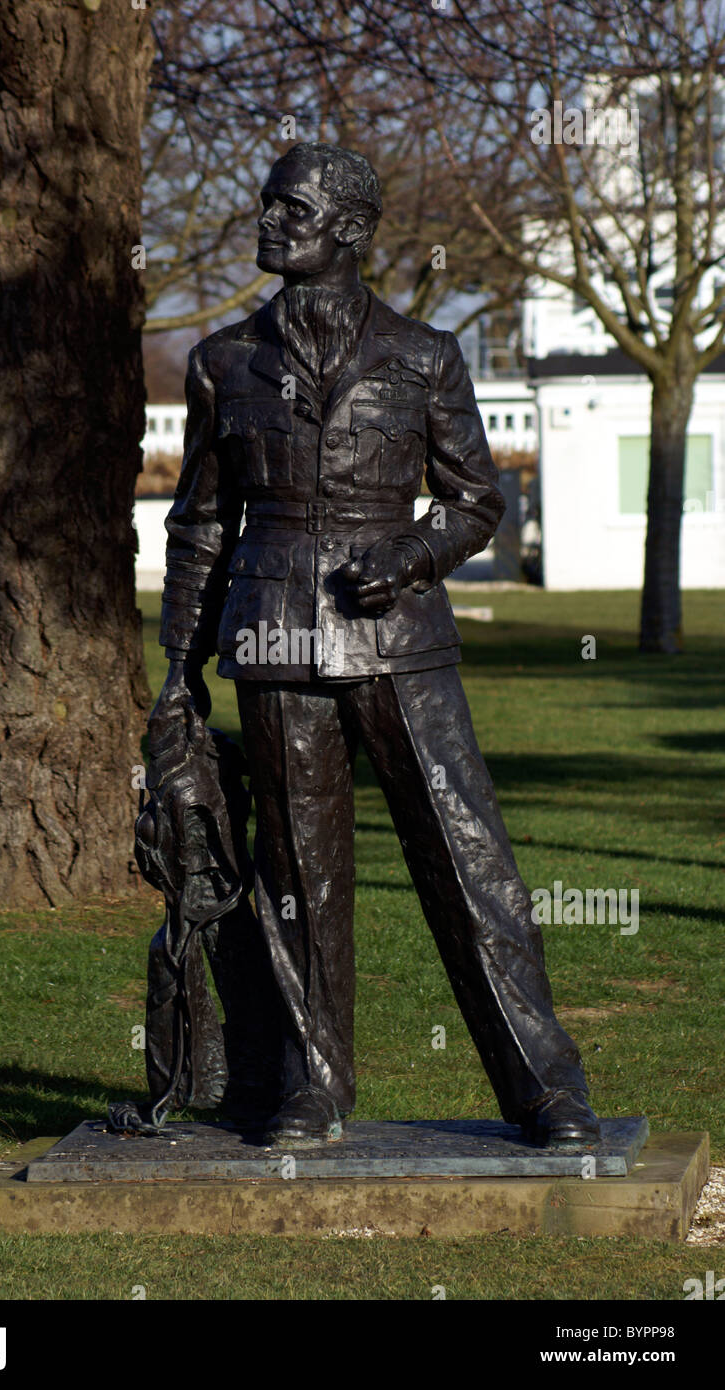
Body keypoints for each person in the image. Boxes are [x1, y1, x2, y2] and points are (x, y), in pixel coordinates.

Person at [148, 142, 599, 1150]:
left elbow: (478, 500)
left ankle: (544, 1087)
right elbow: (201, 525)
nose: (267, 220)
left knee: (468, 857)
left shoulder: (423, 356)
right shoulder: (223, 361)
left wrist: (411, 555)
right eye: (267, 202)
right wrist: (177, 670)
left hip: (400, 642)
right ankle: (310, 1086)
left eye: (290, 208)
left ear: (349, 229)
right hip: (271, 642)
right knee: (297, 873)